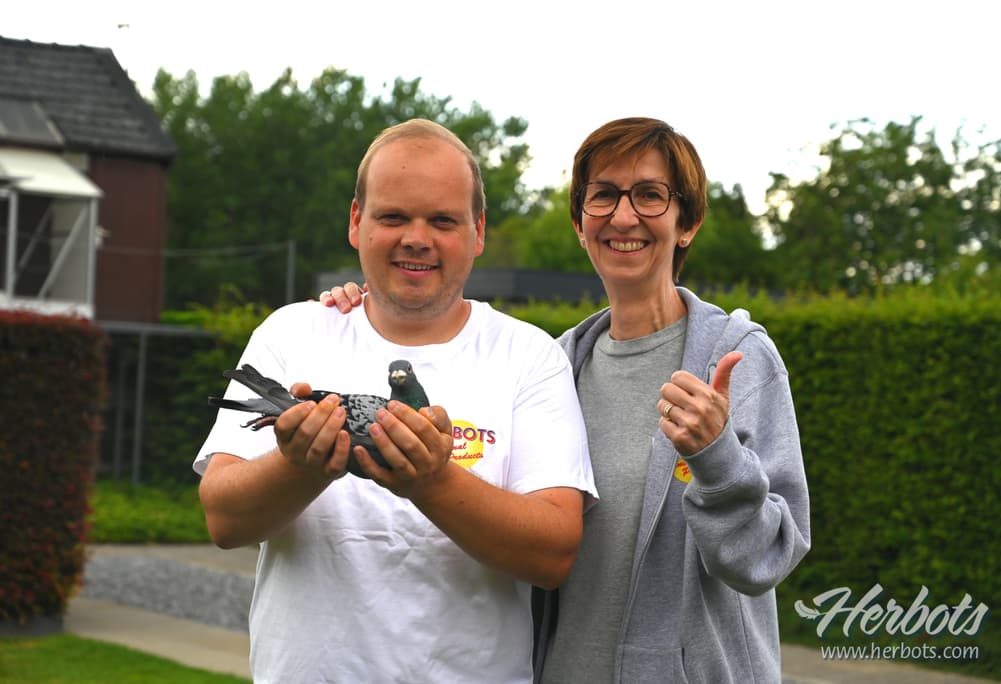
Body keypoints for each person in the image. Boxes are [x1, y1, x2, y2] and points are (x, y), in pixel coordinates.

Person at [323, 117, 810, 683]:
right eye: (603, 196)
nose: (624, 217)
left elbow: (765, 559)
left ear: (688, 223)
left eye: (650, 196)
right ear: (581, 224)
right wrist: (368, 307)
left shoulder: (736, 362)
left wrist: (717, 457)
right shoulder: (552, 367)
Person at [196, 118, 597, 684]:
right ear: (356, 223)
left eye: (442, 220)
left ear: (478, 232)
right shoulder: (292, 334)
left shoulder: (529, 356)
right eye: (393, 216)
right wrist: (300, 465)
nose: (417, 238)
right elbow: (223, 518)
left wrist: (431, 481)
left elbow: (554, 555)